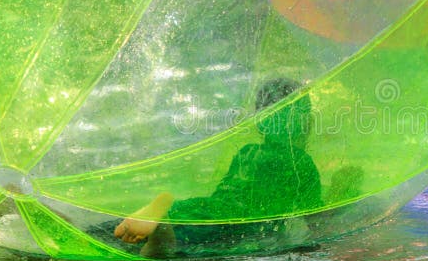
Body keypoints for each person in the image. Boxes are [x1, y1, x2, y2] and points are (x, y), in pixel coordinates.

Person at [114, 78, 323, 249]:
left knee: (189, 220)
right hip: (235, 225)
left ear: (260, 121)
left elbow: (229, 193)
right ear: (304, 123)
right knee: (187, 244)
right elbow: (316, 216)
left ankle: (163, 214)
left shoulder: (248, 152)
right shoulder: (301, 163)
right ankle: (160, 230)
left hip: (209, 207)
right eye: (306, 114)